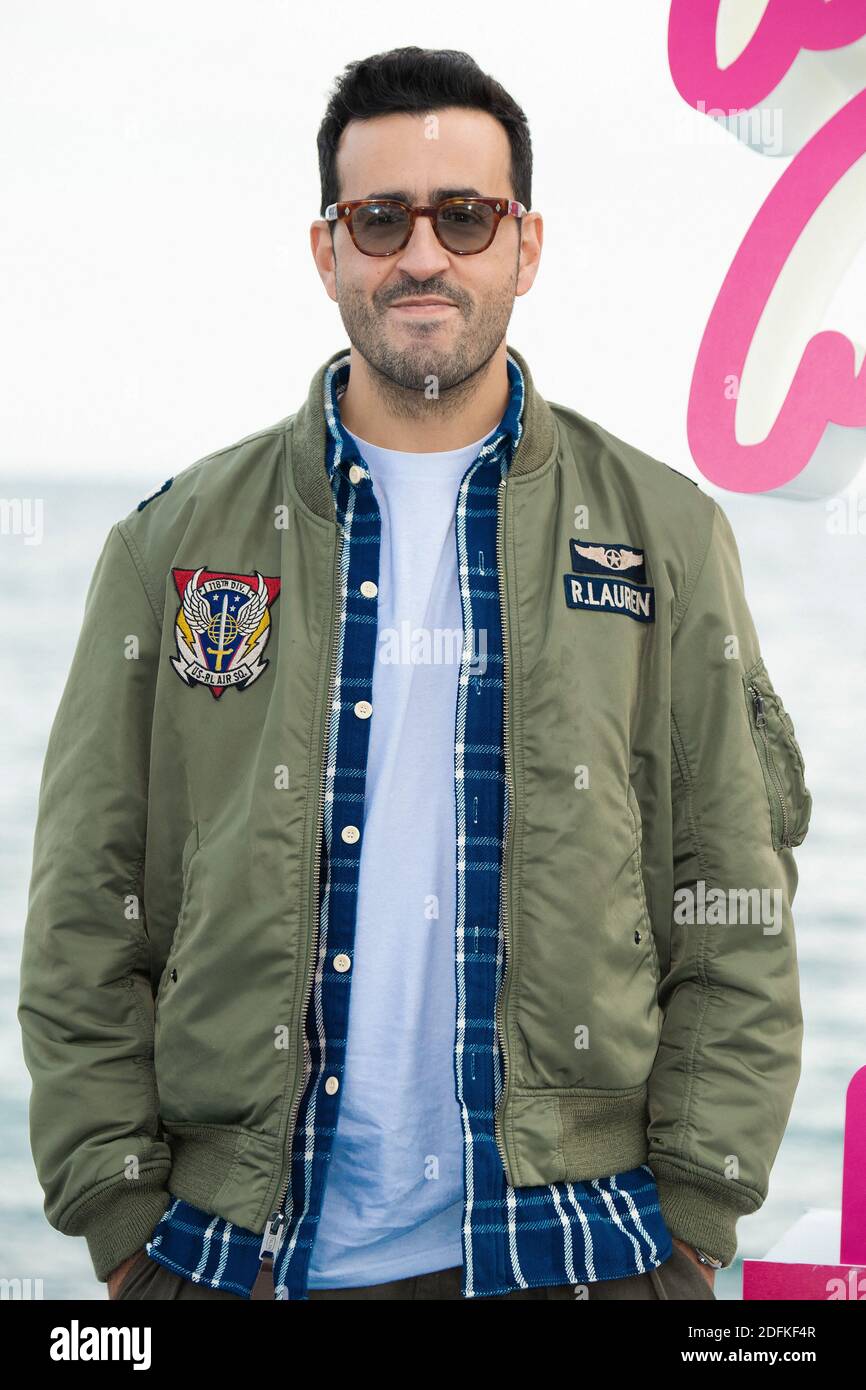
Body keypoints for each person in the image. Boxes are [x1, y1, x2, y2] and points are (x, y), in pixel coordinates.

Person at [18, 45, 812, 1303]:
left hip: (587, 1252)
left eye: (464, 215)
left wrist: (697, 1217)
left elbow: (732, 897)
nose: (423, 254)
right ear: (328, 250)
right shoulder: (173, 546)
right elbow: (84, 908)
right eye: (380, 218)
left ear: (525, 245)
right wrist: (119, 1214)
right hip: (236, 1254)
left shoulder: (662, 534)